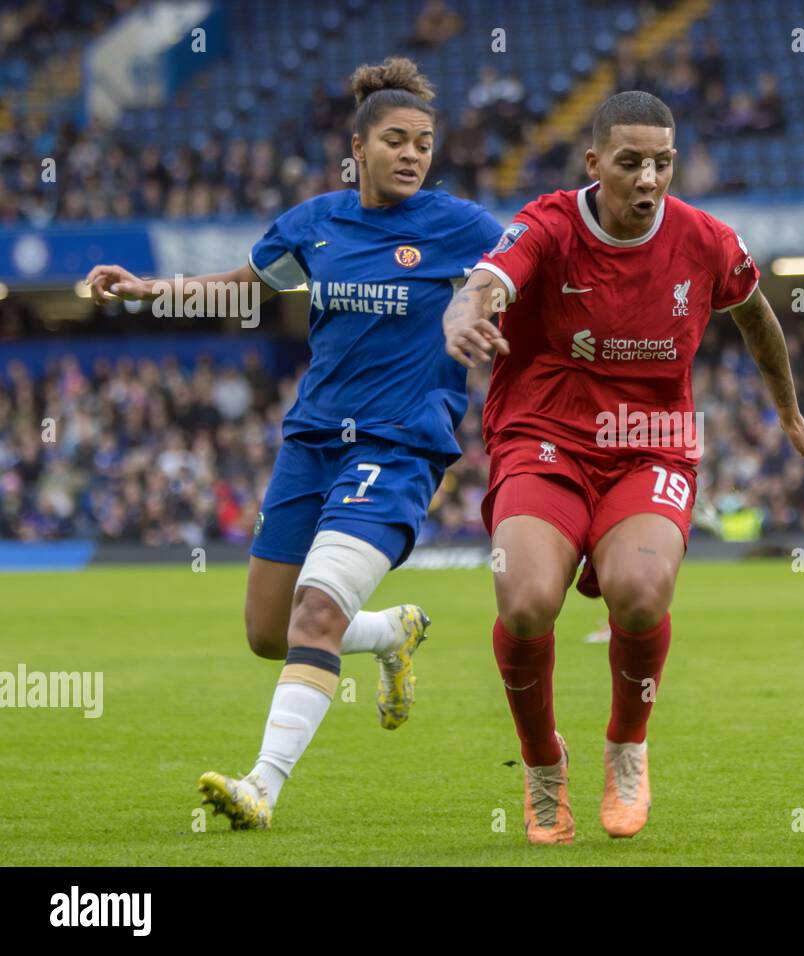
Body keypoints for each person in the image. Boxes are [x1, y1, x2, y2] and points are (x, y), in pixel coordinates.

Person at [85, 57, 503, 829]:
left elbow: (532, 264)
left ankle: (261, 788)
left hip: (401, 445)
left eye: (424, 142)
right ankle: (391, 633)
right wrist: (151, 289)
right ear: (357, 148)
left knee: (314, 612)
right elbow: (246, 284)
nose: (413, 155)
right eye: (396, 141)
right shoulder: (316, 222)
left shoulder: (461, 227)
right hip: (312, 440)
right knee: (268, 633)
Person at [442, 90, 804, 844]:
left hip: (652, 441)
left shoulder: (706, 240)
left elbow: (756, 314)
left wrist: (789, 412)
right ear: (594, 163)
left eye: (662, 162)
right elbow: (491, 278)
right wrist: (467, 310)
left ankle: (627, 745)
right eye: (631, 163)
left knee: (639, 592)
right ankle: (542, 765)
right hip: (543, 436)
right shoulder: (551, 225)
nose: (649, 178)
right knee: (525, 602)